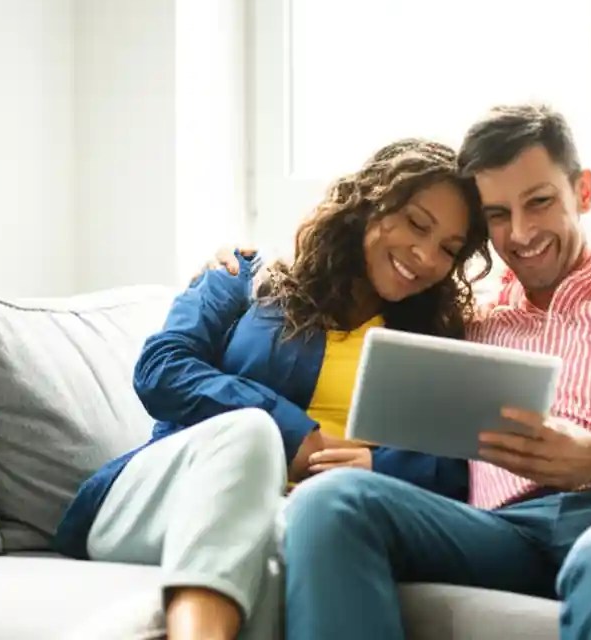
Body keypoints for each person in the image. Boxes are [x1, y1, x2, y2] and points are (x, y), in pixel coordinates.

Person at [213, 104, 591, 640]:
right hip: (507, 532)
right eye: (499, 216)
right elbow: (357, 278)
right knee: (329, 502)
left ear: (583, 191)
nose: (522, 234)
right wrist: (242, 268)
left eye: (540, 202)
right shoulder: (474, 323)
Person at [52, 138, 494, 640]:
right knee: (251, 433)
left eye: (449, 249)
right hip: (166, 500)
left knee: (286, 554)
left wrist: (381, 466)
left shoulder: (435, 338)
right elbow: (160, 369)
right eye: (417, 223)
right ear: (372, 200)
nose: (425, 255)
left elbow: (468, 462)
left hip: (296, 520)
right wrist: (296, 436)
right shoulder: (244, 276)